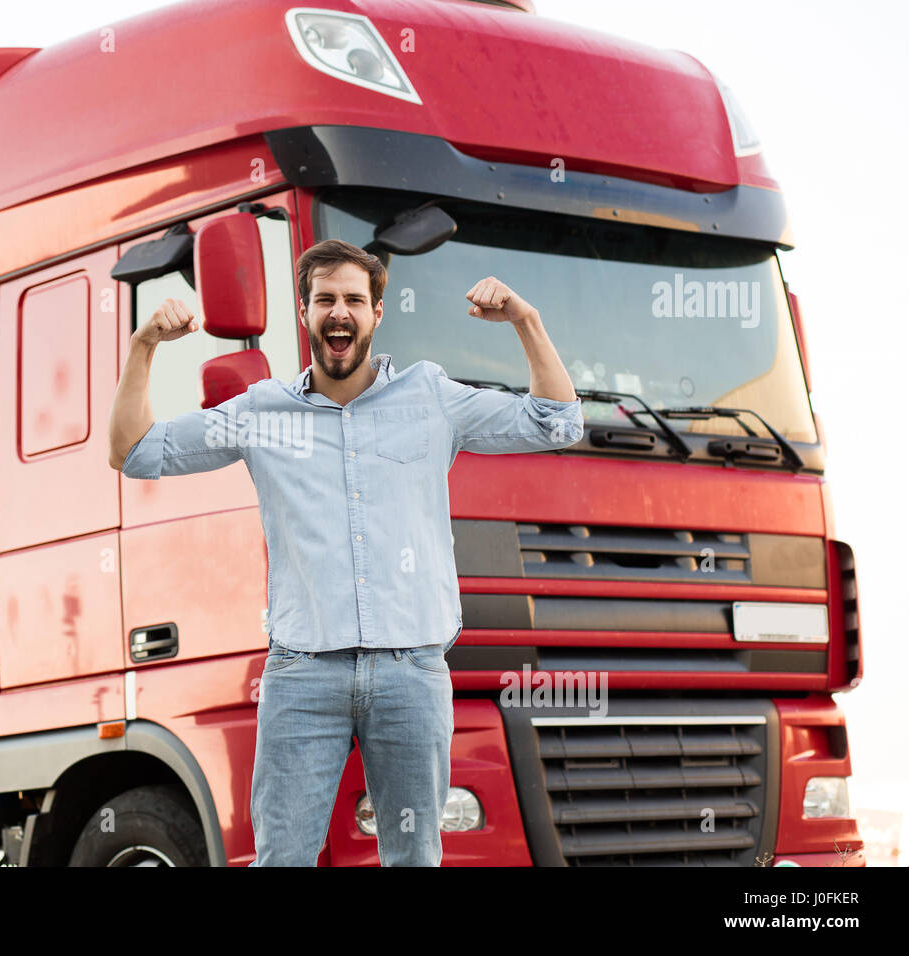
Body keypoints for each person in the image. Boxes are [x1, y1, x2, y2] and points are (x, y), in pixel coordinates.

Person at [108, 238, 582, 866]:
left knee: (414, 858)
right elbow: (135, 451)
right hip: (303, 676)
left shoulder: (432, 398)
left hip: (410, 673)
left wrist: (527, 321)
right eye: (325, 299)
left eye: (354, 300)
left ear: (377, 314)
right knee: (283, 859)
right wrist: (142, 347)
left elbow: (558, 422)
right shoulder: (261, 414)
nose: (340, 312)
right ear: (304, 313)